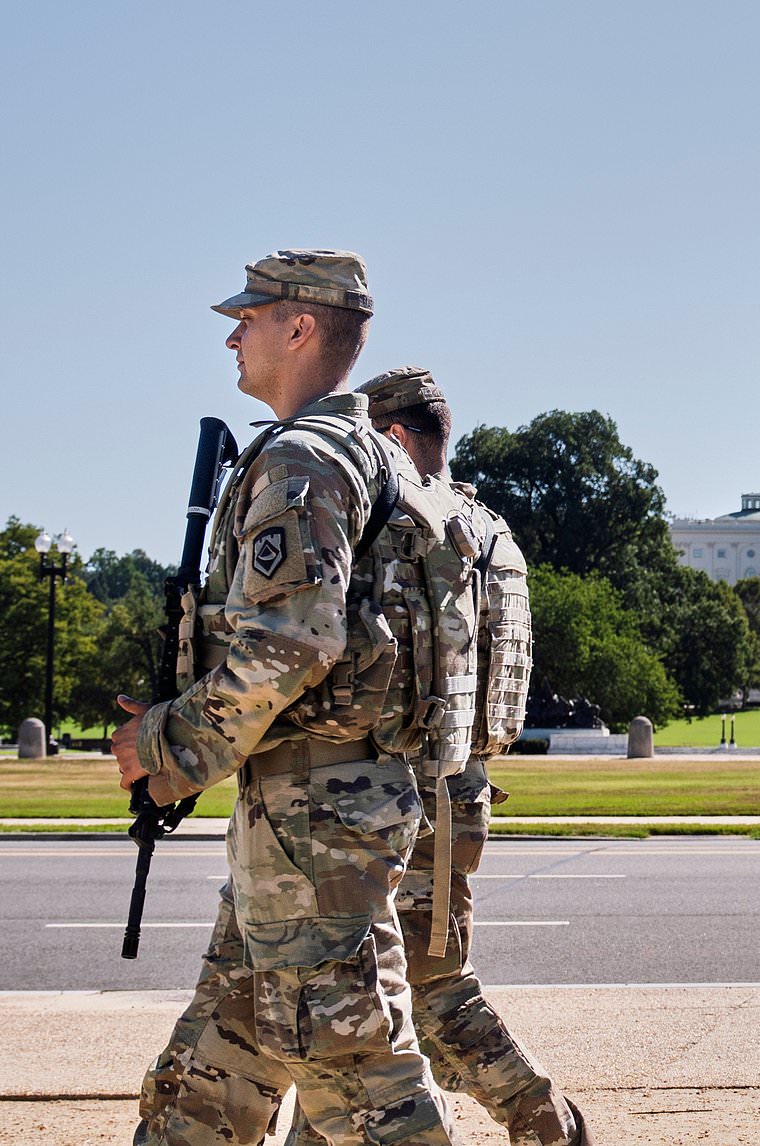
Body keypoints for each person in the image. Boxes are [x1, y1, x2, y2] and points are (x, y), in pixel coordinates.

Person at [110, 250, 457, 1143]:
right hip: (314, 809)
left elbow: (292, 644)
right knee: (215, 1063)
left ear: (299, 327)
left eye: (250, 317)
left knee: (355, 1074)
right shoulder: (363, 453)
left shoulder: (306, 458)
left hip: (316, 818)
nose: (233, 334)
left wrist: (166, 746)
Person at [286, 365, 587, 1145]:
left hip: (392, 789)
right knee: (369, 994)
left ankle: (545, 1121)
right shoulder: (491, 532)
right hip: (463, 788)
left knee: (405, 990)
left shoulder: (401, 524)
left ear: (389, 437)